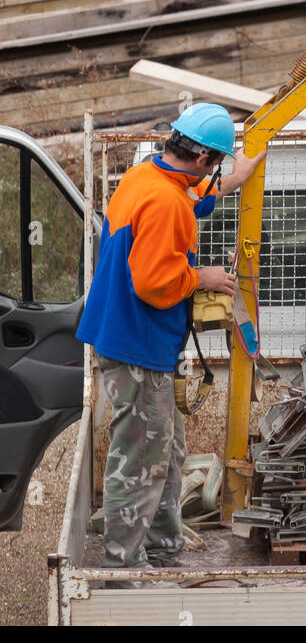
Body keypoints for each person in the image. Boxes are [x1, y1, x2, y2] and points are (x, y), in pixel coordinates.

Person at [76, 102, 265, 572]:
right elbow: (154, 283)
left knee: (167, 449)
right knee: (139, 458)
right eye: (217, 163)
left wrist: (229, 181)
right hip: (137, 346)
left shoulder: (147, 177)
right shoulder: (165, 202)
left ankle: (162, 543)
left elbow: (189, 195)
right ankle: (123, 563)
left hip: (128, 341)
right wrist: (202, 276)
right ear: (205, 159)